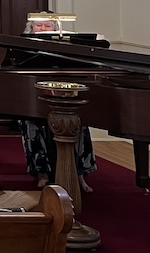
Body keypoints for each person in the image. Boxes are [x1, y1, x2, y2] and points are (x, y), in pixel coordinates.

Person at [19, 16, 97, 192]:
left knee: (79, 123)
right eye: (39, 26)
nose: (44, 28)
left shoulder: (65, 47)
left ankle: (79, 175)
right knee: (31, 123)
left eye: (48, 25)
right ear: (31, 29)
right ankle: (42, 174)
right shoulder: (22, 47)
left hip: (64, 97)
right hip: (32, 100)